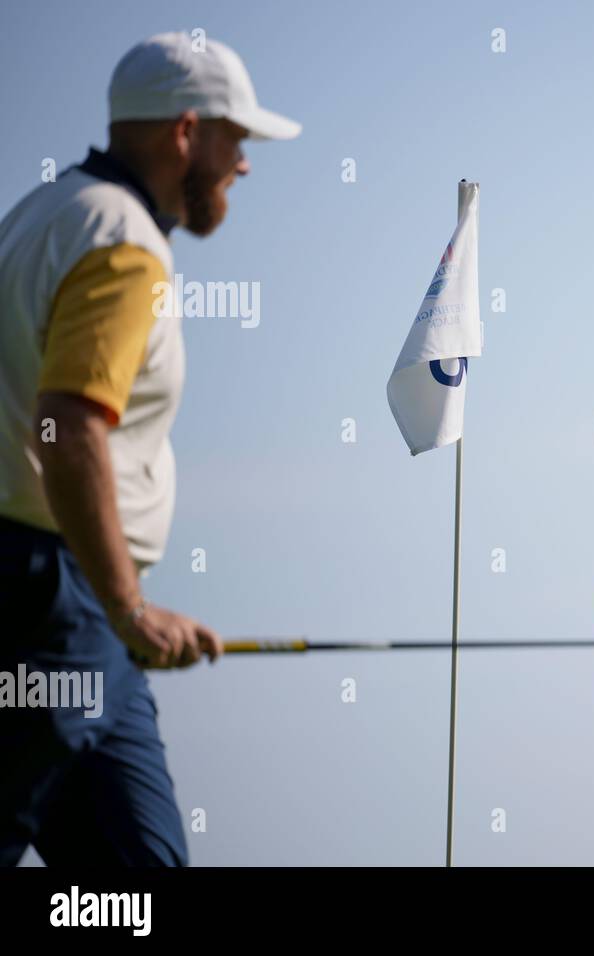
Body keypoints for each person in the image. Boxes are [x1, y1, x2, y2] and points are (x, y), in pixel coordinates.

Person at [0, 32, 300, 866]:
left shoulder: (40, 210)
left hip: (80, 604)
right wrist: (130, 607)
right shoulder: (124, 244)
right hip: (54, 600)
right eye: (236, 139)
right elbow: (69, 425)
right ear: (185, 132)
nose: (243, 163)